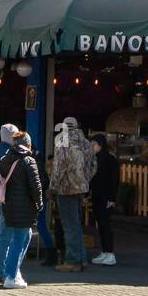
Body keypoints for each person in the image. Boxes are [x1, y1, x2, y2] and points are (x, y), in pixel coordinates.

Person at [0, 130, 44, 289]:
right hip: (24, 208)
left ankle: (13, 271)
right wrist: (40, 203)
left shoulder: (5, 159)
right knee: (19, 239)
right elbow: (35, 186)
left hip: (8, 206)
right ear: (28, 144)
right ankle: (11, 275)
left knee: (24, 236)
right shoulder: (29, 161)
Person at [50, 116, 96, 271]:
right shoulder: (86, 143)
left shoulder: (62, 140)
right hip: (80, 189)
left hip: (66, 189)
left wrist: (53, 187)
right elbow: (93, 166)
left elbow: (58, 167)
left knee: (69, 226)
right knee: (76, 225)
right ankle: (81, 259)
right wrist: (84, 181)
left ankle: (72, 261)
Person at [0, 123, 21, 284]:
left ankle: (1, 271)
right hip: (8, 199)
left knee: (4, 236)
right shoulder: (11, 154)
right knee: (7, 237)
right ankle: (0, 272)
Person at [89, 133, 119, 265]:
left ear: (100, 145)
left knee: (105, 224)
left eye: (94, 144)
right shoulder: (94, 159)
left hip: (106, 197)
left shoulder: (111, 160)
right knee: (100, 224)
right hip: (96, 196)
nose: (92, 147)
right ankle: (105, 251)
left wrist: (112, 198)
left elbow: (115, 181)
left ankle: (110, 253)